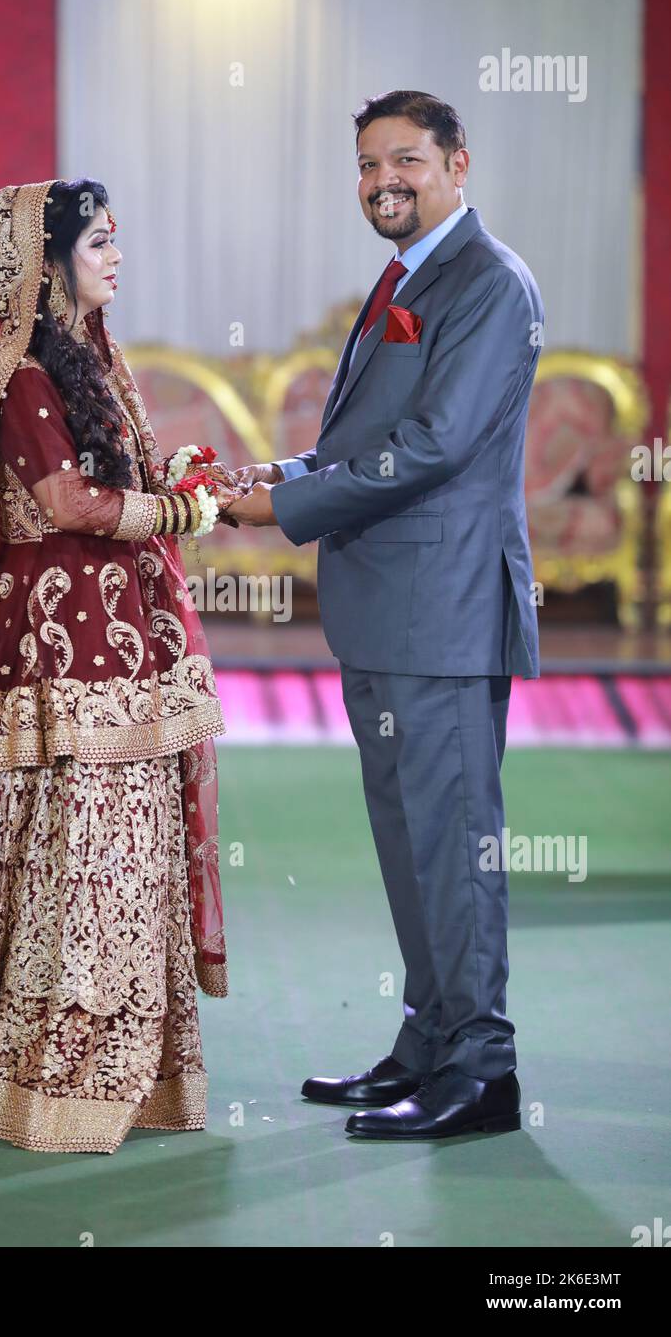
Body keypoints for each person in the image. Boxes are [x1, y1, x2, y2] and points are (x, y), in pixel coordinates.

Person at [0, 178, 241, 1154]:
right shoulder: (21, 373)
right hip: (48, 651)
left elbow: (110, 487)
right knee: (58, 861)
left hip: (117, 644)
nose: (115, 259)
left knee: (117, 858)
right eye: (98, 245)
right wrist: (183, 514)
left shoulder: (91, 361)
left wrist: (179, 480)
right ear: (45, 263)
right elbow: (70, 505)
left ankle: (121, 1076)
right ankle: (24, 1082)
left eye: (118, 241)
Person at [226, 90, 543, 1140]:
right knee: (409, 847)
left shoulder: (488, 283)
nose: (380, 183)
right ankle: (425, 1043)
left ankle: (481, 1067)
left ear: (458, 162)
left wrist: (289, 504)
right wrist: (293, 465)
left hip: (442, 615)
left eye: (402, 160)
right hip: (386, 615)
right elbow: (381, 424)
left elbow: (439, 442)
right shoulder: (408, 274)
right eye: (365, 166)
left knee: (452, 848)